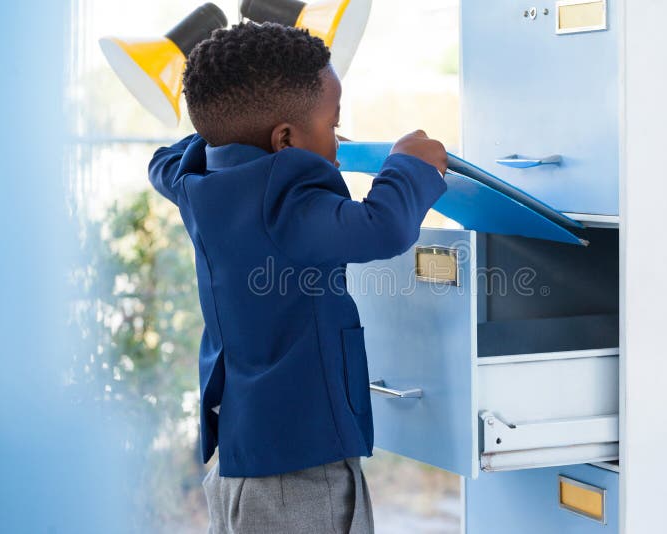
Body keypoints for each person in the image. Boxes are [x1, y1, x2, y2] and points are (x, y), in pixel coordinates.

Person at [147, 21, 447, 534]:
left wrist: (226, 125)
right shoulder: (287, 203)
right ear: (285, 139)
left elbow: (166, 158)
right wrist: (407, 166)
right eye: (333, 124)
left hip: (241, 459)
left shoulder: (194, 184)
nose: (336, 139)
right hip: (298, 473)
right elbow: (384, 226)